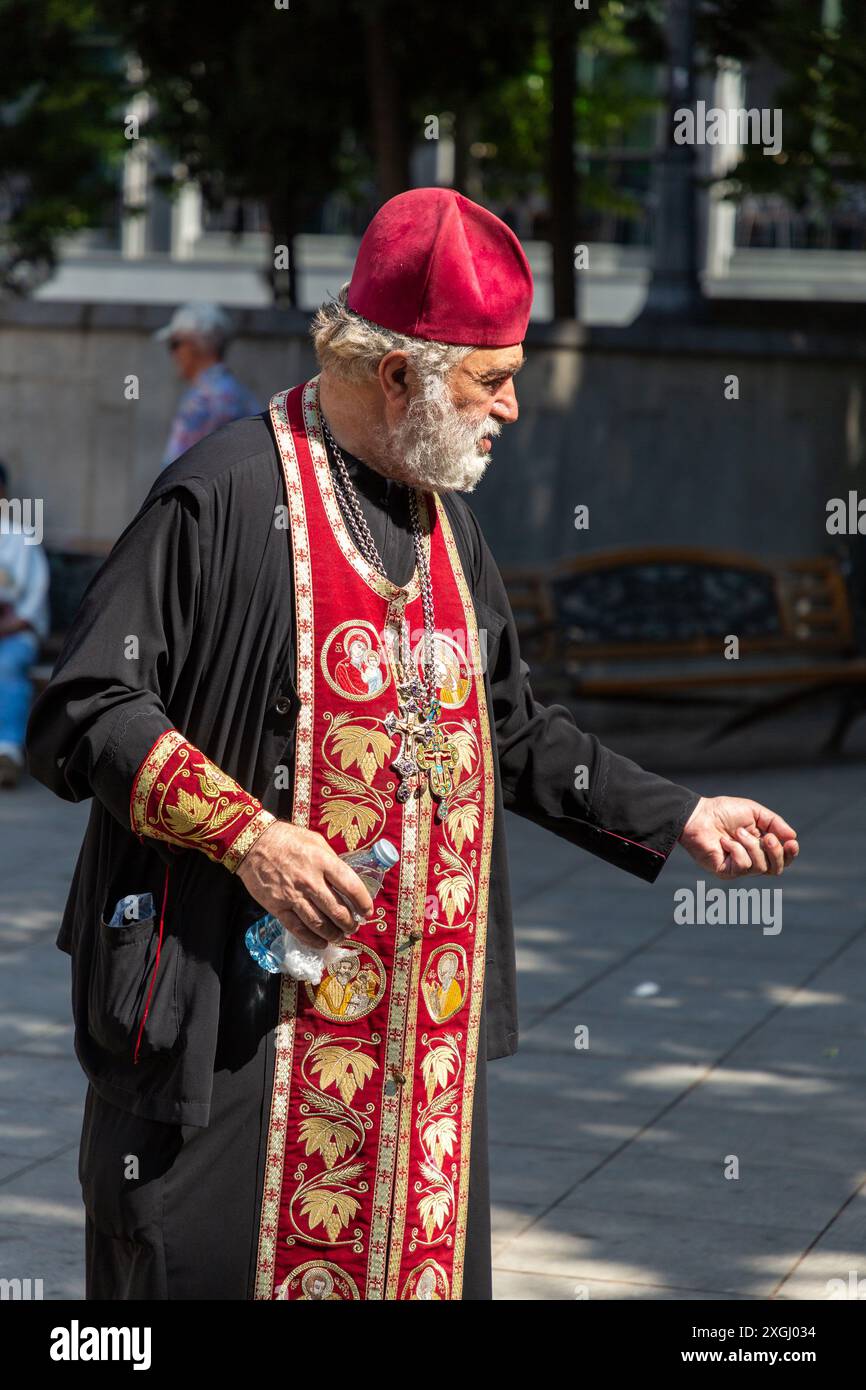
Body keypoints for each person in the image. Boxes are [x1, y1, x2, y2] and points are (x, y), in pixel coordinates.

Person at [25, 187, 799, 1302]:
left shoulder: (443, 518)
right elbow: (87, 706)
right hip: (242, 1028)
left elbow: (512, 729)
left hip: (412, 1055)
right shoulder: (222, 494)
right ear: (398, 374)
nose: (512, 407)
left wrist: (675, 813)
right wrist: (250, 838)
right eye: (491, 379)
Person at [155, 302, 262, 468]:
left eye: (175, 344)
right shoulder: (238, 393)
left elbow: (175, 471)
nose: (173, 354)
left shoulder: (203, 400)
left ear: (196, 345)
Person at [0, 461, 49, 789]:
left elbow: (34, 596)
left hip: (14, 633)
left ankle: (6, 753)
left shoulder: (21, 539)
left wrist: (11, 625)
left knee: (6, 665)